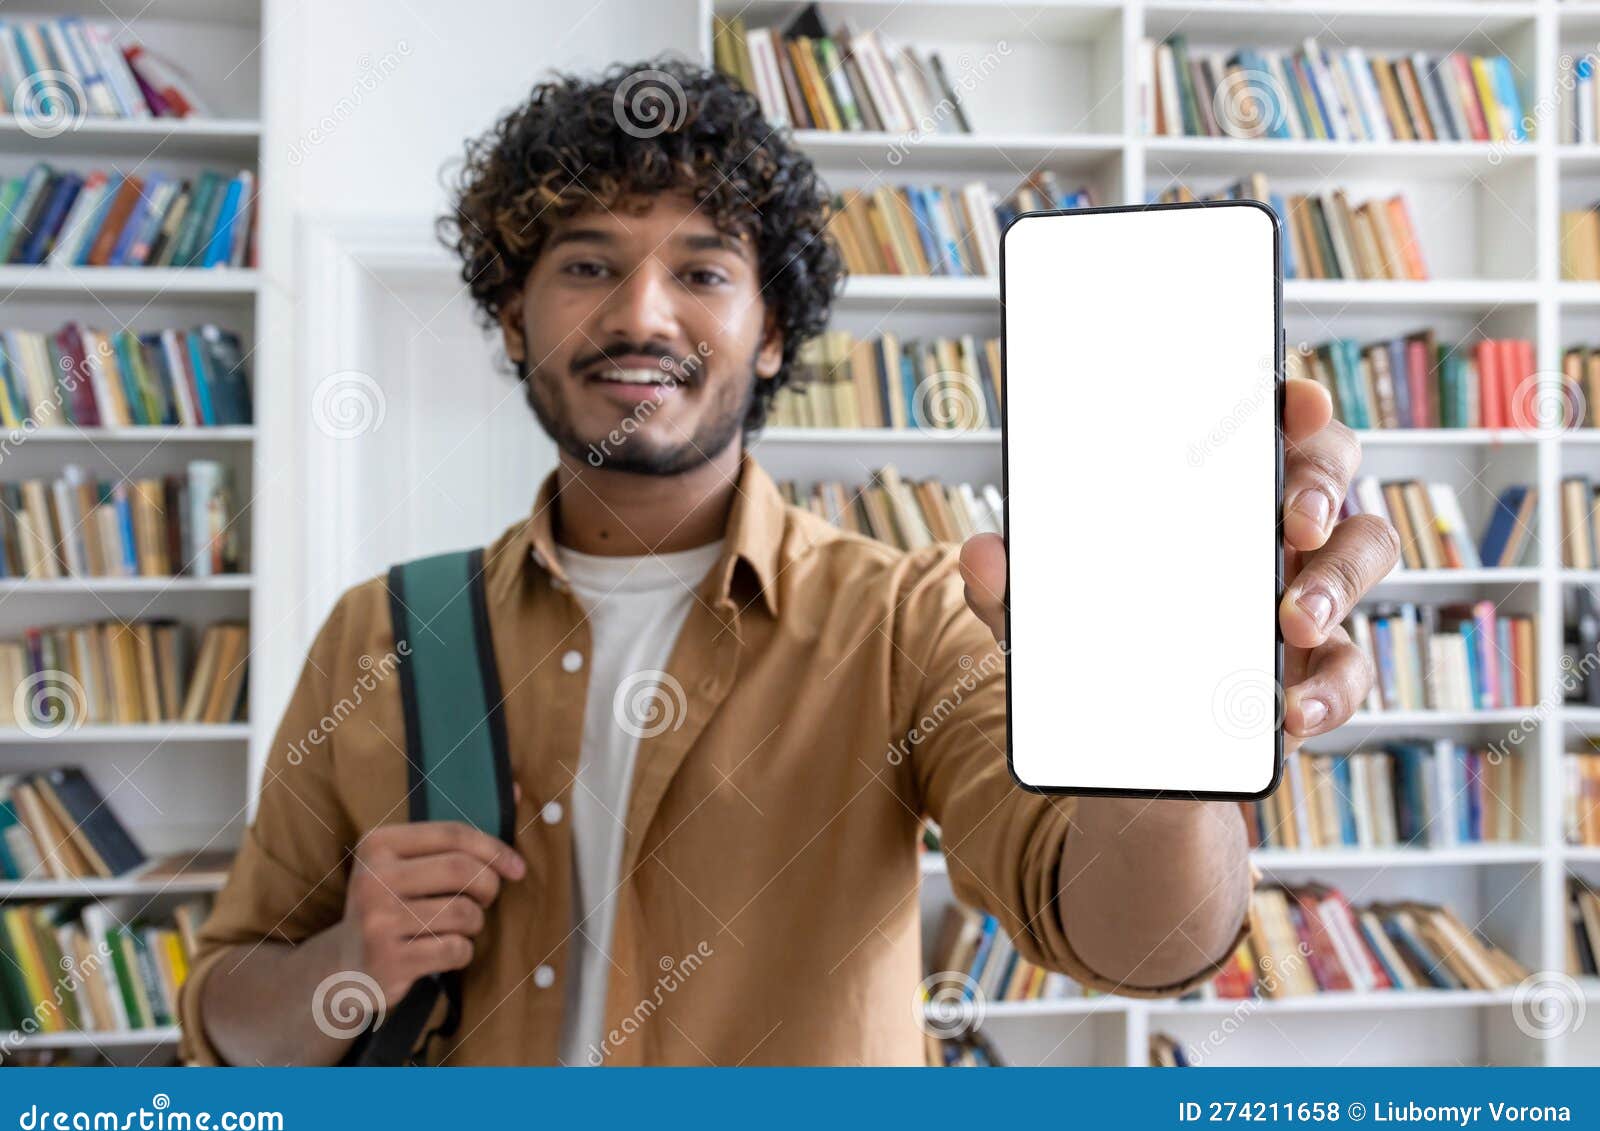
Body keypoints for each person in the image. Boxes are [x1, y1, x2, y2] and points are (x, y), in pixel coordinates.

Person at [178, 57, 1399, 1066]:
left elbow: (1142, 943)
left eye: (703, 270)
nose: (643, 314)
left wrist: (1167, 694)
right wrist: (347, 964)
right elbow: (227, 1015)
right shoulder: (382, 632)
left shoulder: (910, 619)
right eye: (588, 264)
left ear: (771, 336)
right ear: (516, 318)